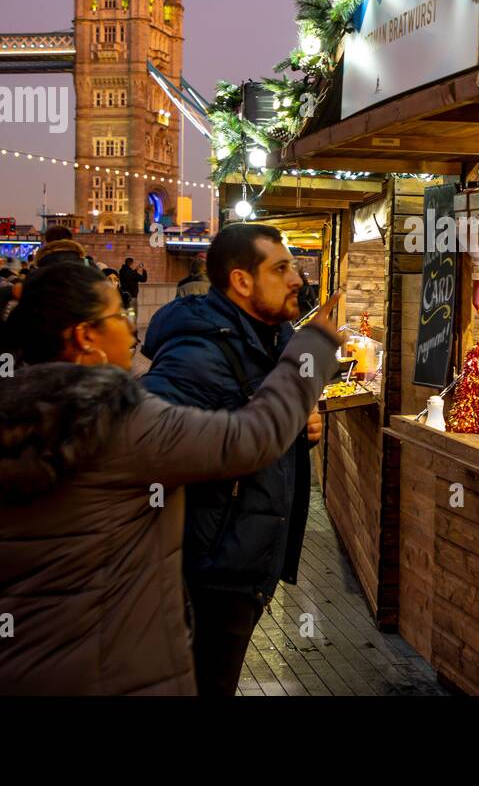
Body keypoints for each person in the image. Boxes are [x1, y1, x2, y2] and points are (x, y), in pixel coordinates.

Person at [0, 261, 342, 695]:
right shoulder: (116, 422)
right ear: (86, 336)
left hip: (12, 671)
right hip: (114, 673)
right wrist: (310, 350)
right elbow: (252, 439)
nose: (131, 330)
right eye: (120, 316)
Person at [141, 223, 332, 697]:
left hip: (246, 558)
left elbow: (255, 427)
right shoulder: (198, 351)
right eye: (281, 268)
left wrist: (296, 434)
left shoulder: (272, 337)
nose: (297, 280)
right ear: (242, 282)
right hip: (210, 569)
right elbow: (157, 447)